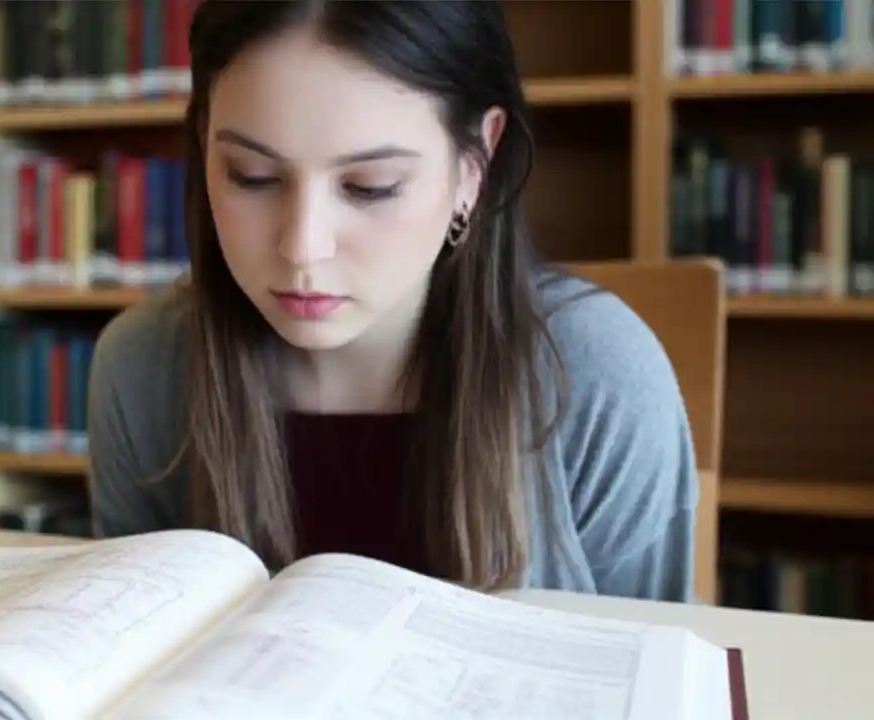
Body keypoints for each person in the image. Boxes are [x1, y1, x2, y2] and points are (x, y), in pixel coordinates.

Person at [86, 0, 698, 602]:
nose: (303, 247)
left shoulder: (595, 370)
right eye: (253, 175)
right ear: (203, 143)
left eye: (370, 187)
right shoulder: (142, 368)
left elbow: (653, 670)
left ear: (472, 165)